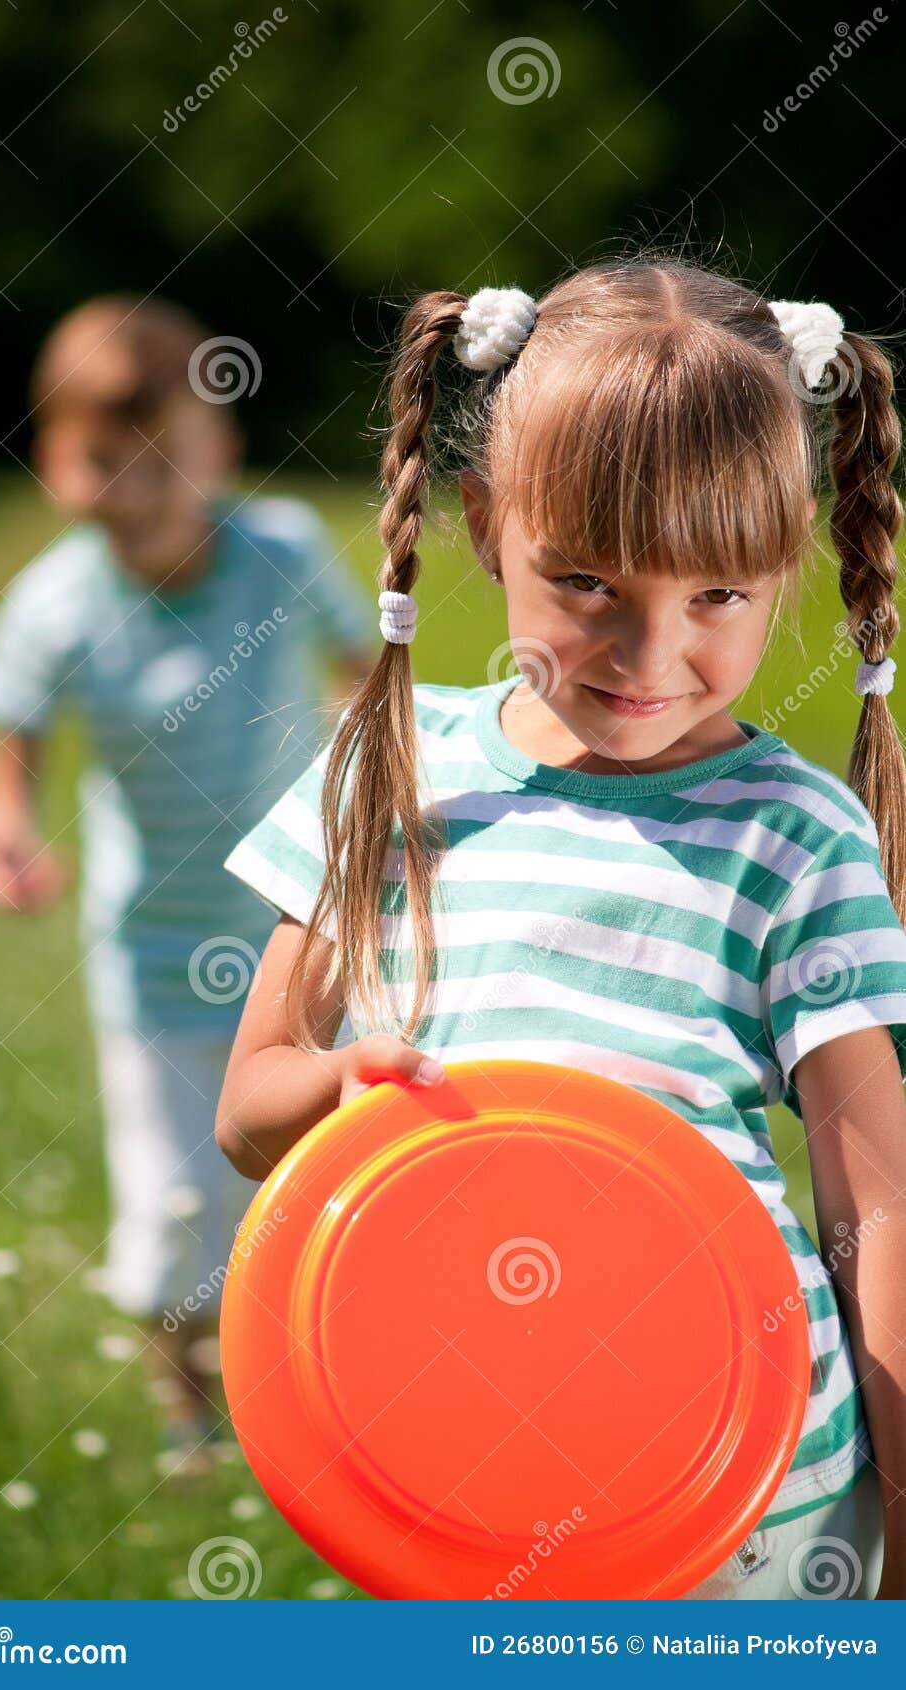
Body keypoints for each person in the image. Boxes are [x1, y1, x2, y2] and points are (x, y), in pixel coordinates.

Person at [214, 261, 906, 1597]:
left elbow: (872, 1209)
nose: (647, 654)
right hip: (461, 1472)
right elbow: (249, 1114)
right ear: (485, 524)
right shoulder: (391, 775)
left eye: (716, 596)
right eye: (586, 582)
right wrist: (338, 1087)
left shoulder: (793, 835)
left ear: (786, 559)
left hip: (750, 1502)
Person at [0, 294, 376, 1477]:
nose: (136, 489)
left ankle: (335, 1396)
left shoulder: (282, 550)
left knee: (333, 1173)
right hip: (152, 962)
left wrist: (367, 773)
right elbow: (6, 772)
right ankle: (191, 1427)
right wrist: (6, 839)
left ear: (218, 449)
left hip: (304, 941)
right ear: (54, 462)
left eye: (164, 458)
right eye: (103, 459)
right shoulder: (54, 606)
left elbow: (364, 677)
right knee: (172, 1212)